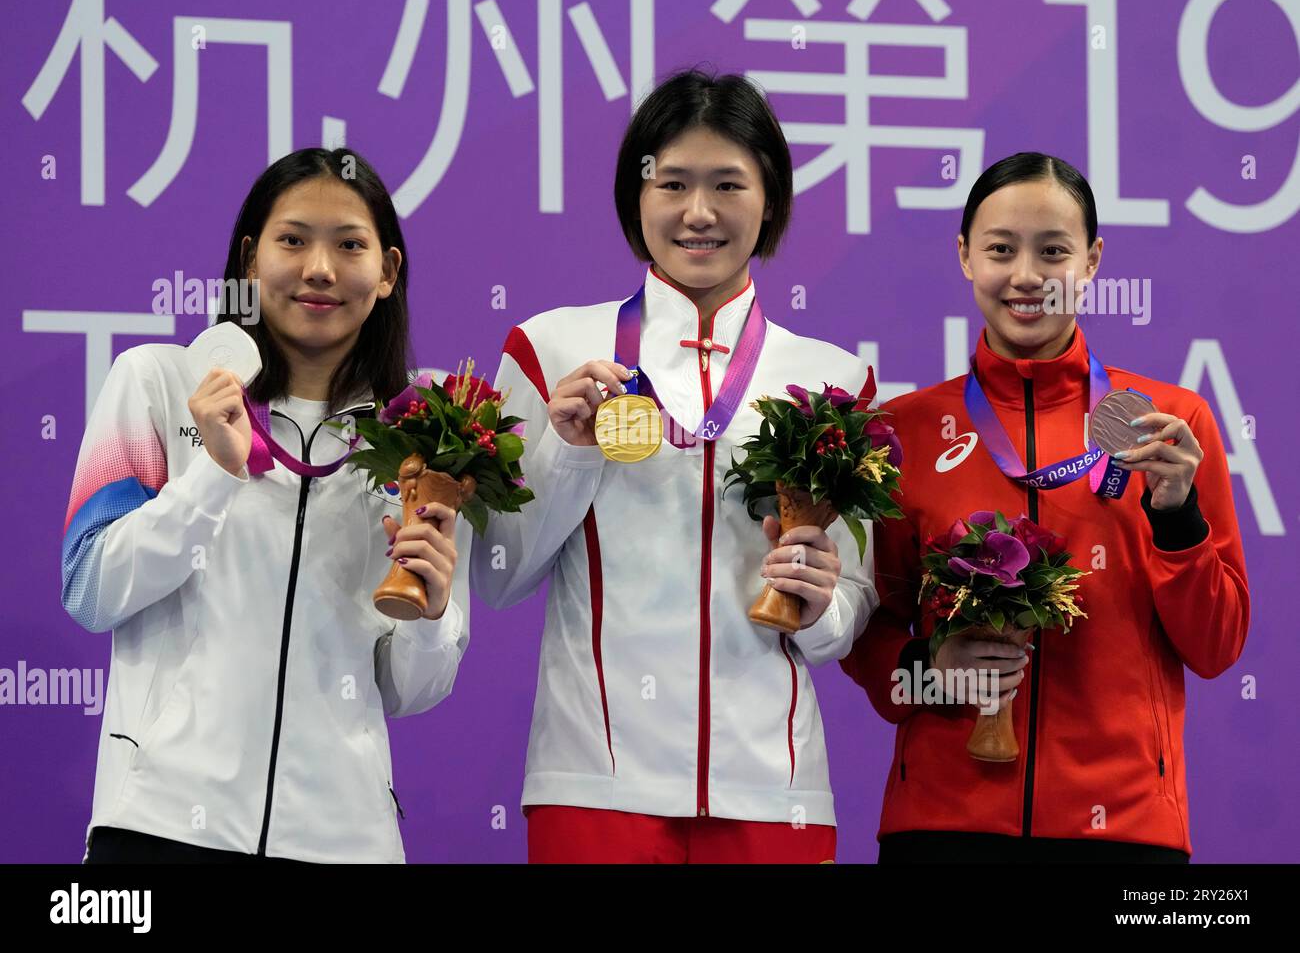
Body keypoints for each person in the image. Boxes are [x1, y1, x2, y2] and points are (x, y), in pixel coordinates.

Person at [471, 69, 877, 863]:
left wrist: (823, 600)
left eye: (729, 183)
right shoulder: (548, 349)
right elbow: (498, 574)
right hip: (596, 782)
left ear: (771, 199)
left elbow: (849, 612)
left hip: (776, 788)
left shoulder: (836, 381)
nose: (699, 212)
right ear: (636, 197)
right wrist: (570, 452)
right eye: (672, 183)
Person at [61, 147, 471, 863]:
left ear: (387, 273)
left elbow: (409, 692)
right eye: (293, 240)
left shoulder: (418, 437)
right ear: (251, 260)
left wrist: (433, 618)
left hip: (346, 841)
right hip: (162, 826)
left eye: (349, 245)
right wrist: (212, 478)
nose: (319, 268)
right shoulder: (159, 383)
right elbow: (90, 588)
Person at [840, 152, 1250, 863]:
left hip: (1126, 827)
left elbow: (1217, 647)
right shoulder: (905, 431)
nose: (1026, 276)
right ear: (965, 256)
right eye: (1000, 249)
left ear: (1092, 262)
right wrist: (928, 669)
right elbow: (866, 626)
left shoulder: (1169, 425)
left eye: (1054, 251)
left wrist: (1177, 514)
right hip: (942, 824)